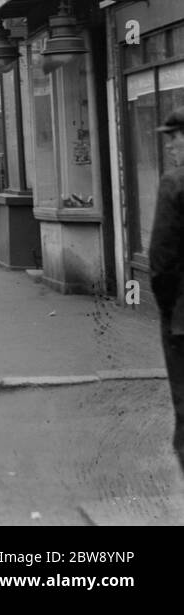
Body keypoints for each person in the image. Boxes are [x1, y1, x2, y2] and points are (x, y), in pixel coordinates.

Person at [148, 108, 184, 475]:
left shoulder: (175, 183)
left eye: (175, 137)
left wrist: (168, 309)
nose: (171, 145)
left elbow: (162, 260)